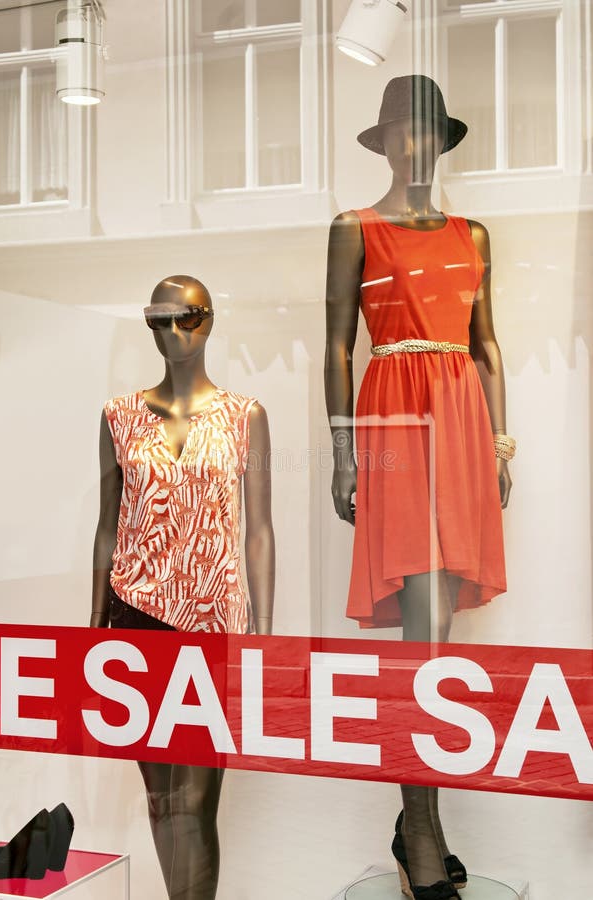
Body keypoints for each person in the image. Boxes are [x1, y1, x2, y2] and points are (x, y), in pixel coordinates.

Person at [324, 75, 513, 900]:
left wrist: (500, 445)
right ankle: (421, 829)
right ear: (386, 141)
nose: (417, 144)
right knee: (419, 634)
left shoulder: (473, 233)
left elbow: (487, 345)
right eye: (404, 130)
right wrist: (343, 452)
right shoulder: (355, 228)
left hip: (461, 424)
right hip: (396, 421)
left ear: (442, 141)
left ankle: (419, 824)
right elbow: (337, 345)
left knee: (433, 632)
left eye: (430, 130)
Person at [91, 275, 275, 900]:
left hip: (212, 621)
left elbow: (259, 529)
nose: (172, 332)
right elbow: (108, 526)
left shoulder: (245, 416)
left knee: (196, 798)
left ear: (210, 320)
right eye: (158, 320)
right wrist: (94, 627)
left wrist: (263, 635)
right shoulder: (117, 416)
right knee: (161, 795)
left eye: (186, 318)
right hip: (134, 614)